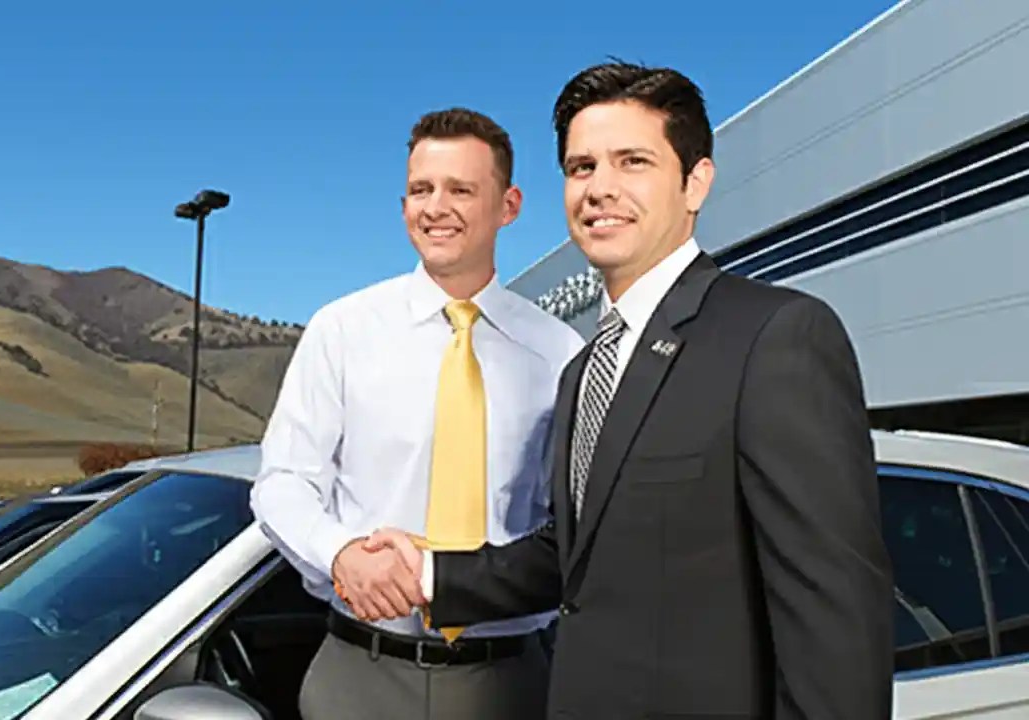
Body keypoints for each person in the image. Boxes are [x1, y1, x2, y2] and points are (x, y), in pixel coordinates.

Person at [368, 61, 896, 719]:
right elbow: (574, 557)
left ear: (695, 181)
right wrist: (428, 574)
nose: (599, 189)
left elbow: (833, 616)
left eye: (632, 162)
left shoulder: (776, 337)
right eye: (581, 167)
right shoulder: (581, 371)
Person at [249, 108, 584, 719]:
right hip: (362, 675)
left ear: (508, 206)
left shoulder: (561, 353)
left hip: (510, 683)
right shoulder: (342, 330)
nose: (436, 207)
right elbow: (283, 482)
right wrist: (340, 551)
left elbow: (573, 524)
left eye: (461, 189)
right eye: (421, 189)